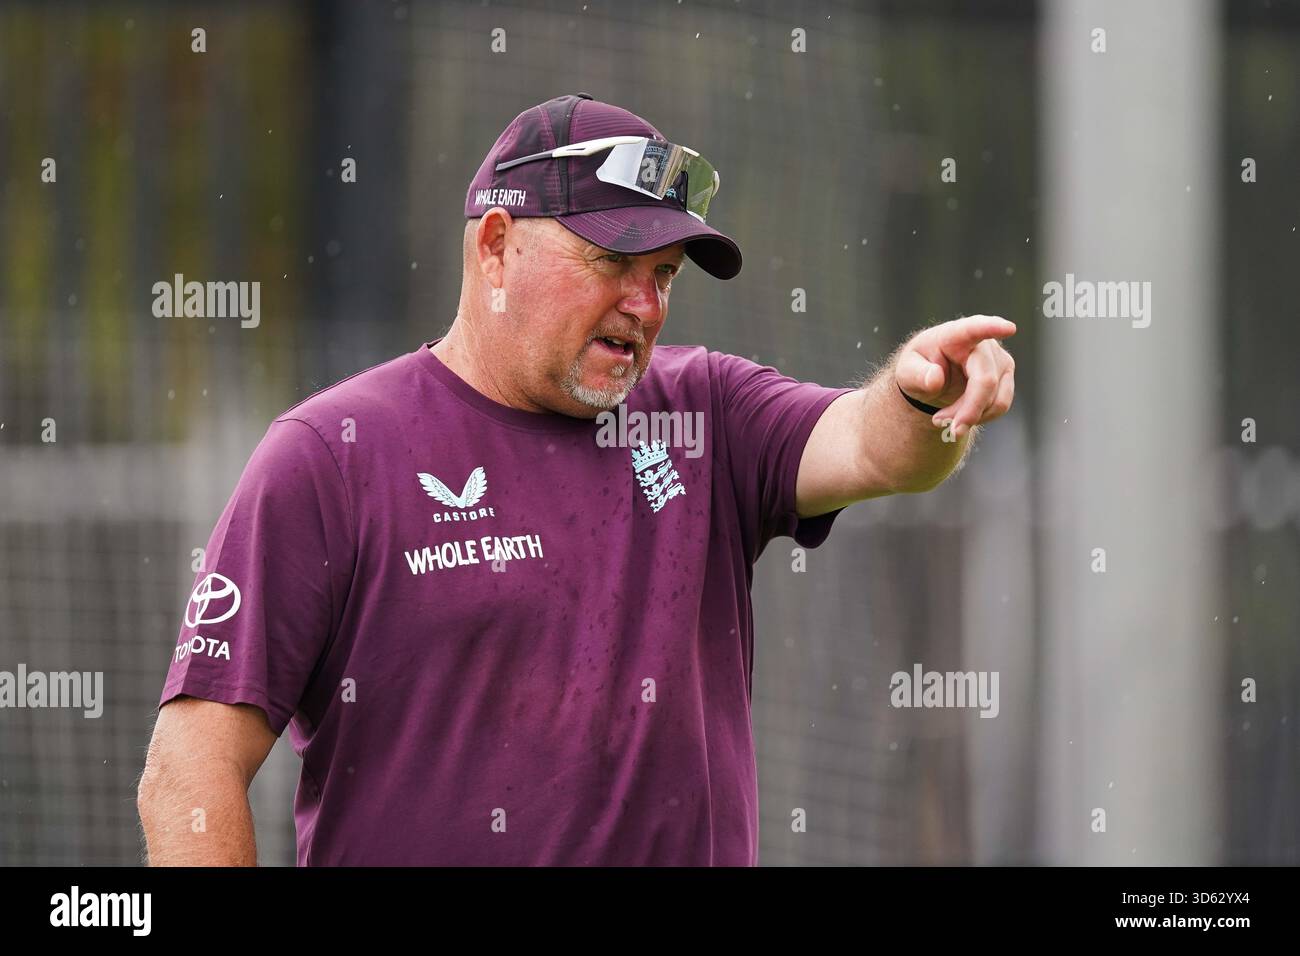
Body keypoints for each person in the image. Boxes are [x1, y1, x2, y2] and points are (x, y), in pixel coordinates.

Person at [137, 92, 1016, 866]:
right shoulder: (332, 456)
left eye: (663, 275)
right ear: (494, 247)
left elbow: (870, 449)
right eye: (612, 263)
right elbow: (190, 767)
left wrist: (916, 391)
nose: (646, 305)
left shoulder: (703, 413)